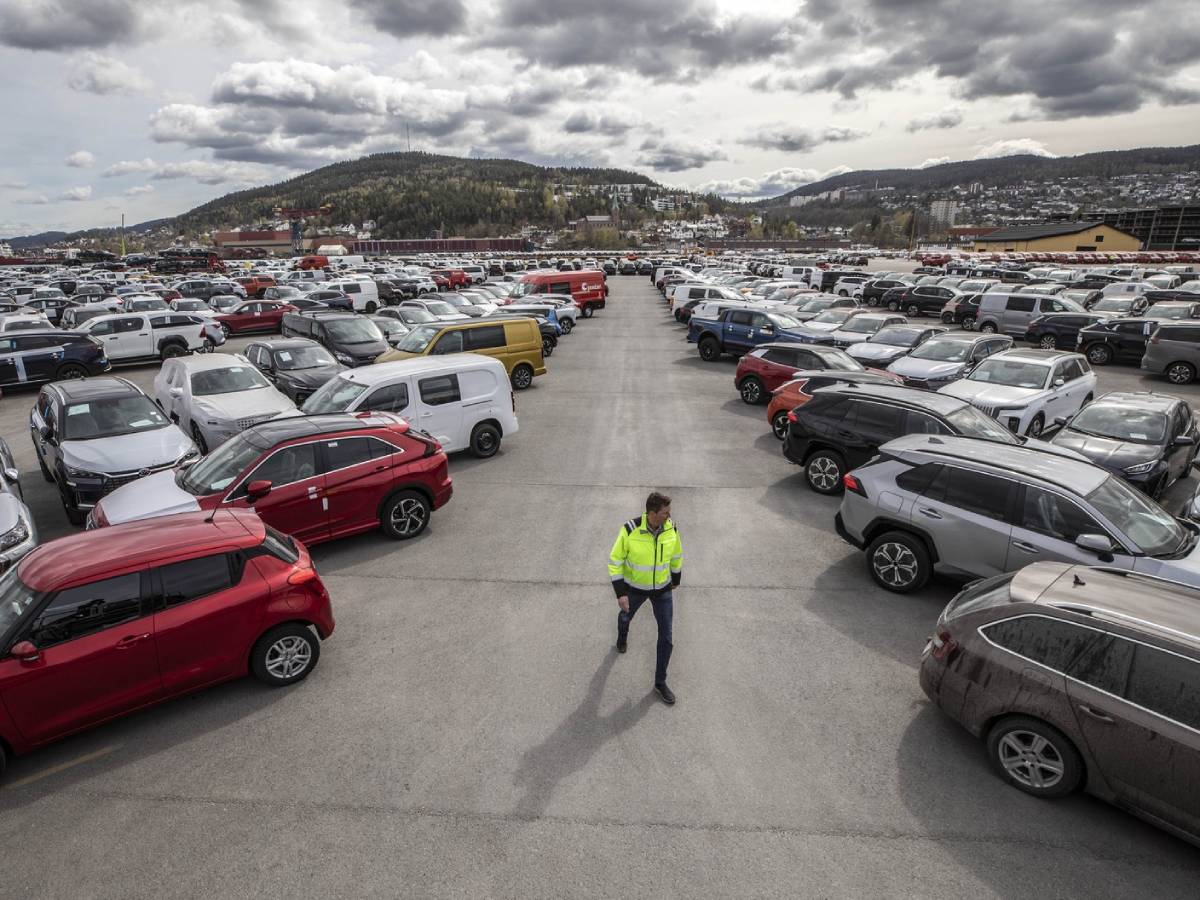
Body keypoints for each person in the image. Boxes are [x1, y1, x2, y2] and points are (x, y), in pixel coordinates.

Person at [607, 491, 683, 705]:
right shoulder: (630, 530)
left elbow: (676, 554)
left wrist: (675, 578)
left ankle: (660, 682)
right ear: (652, 513)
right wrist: (621, 593)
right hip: (635, 589)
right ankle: (622, 636)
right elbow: (615, 561)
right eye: (665, 512)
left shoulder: (671, 528)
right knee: (625, 617)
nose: (669, 516)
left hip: (662, 590)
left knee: (667, 637)